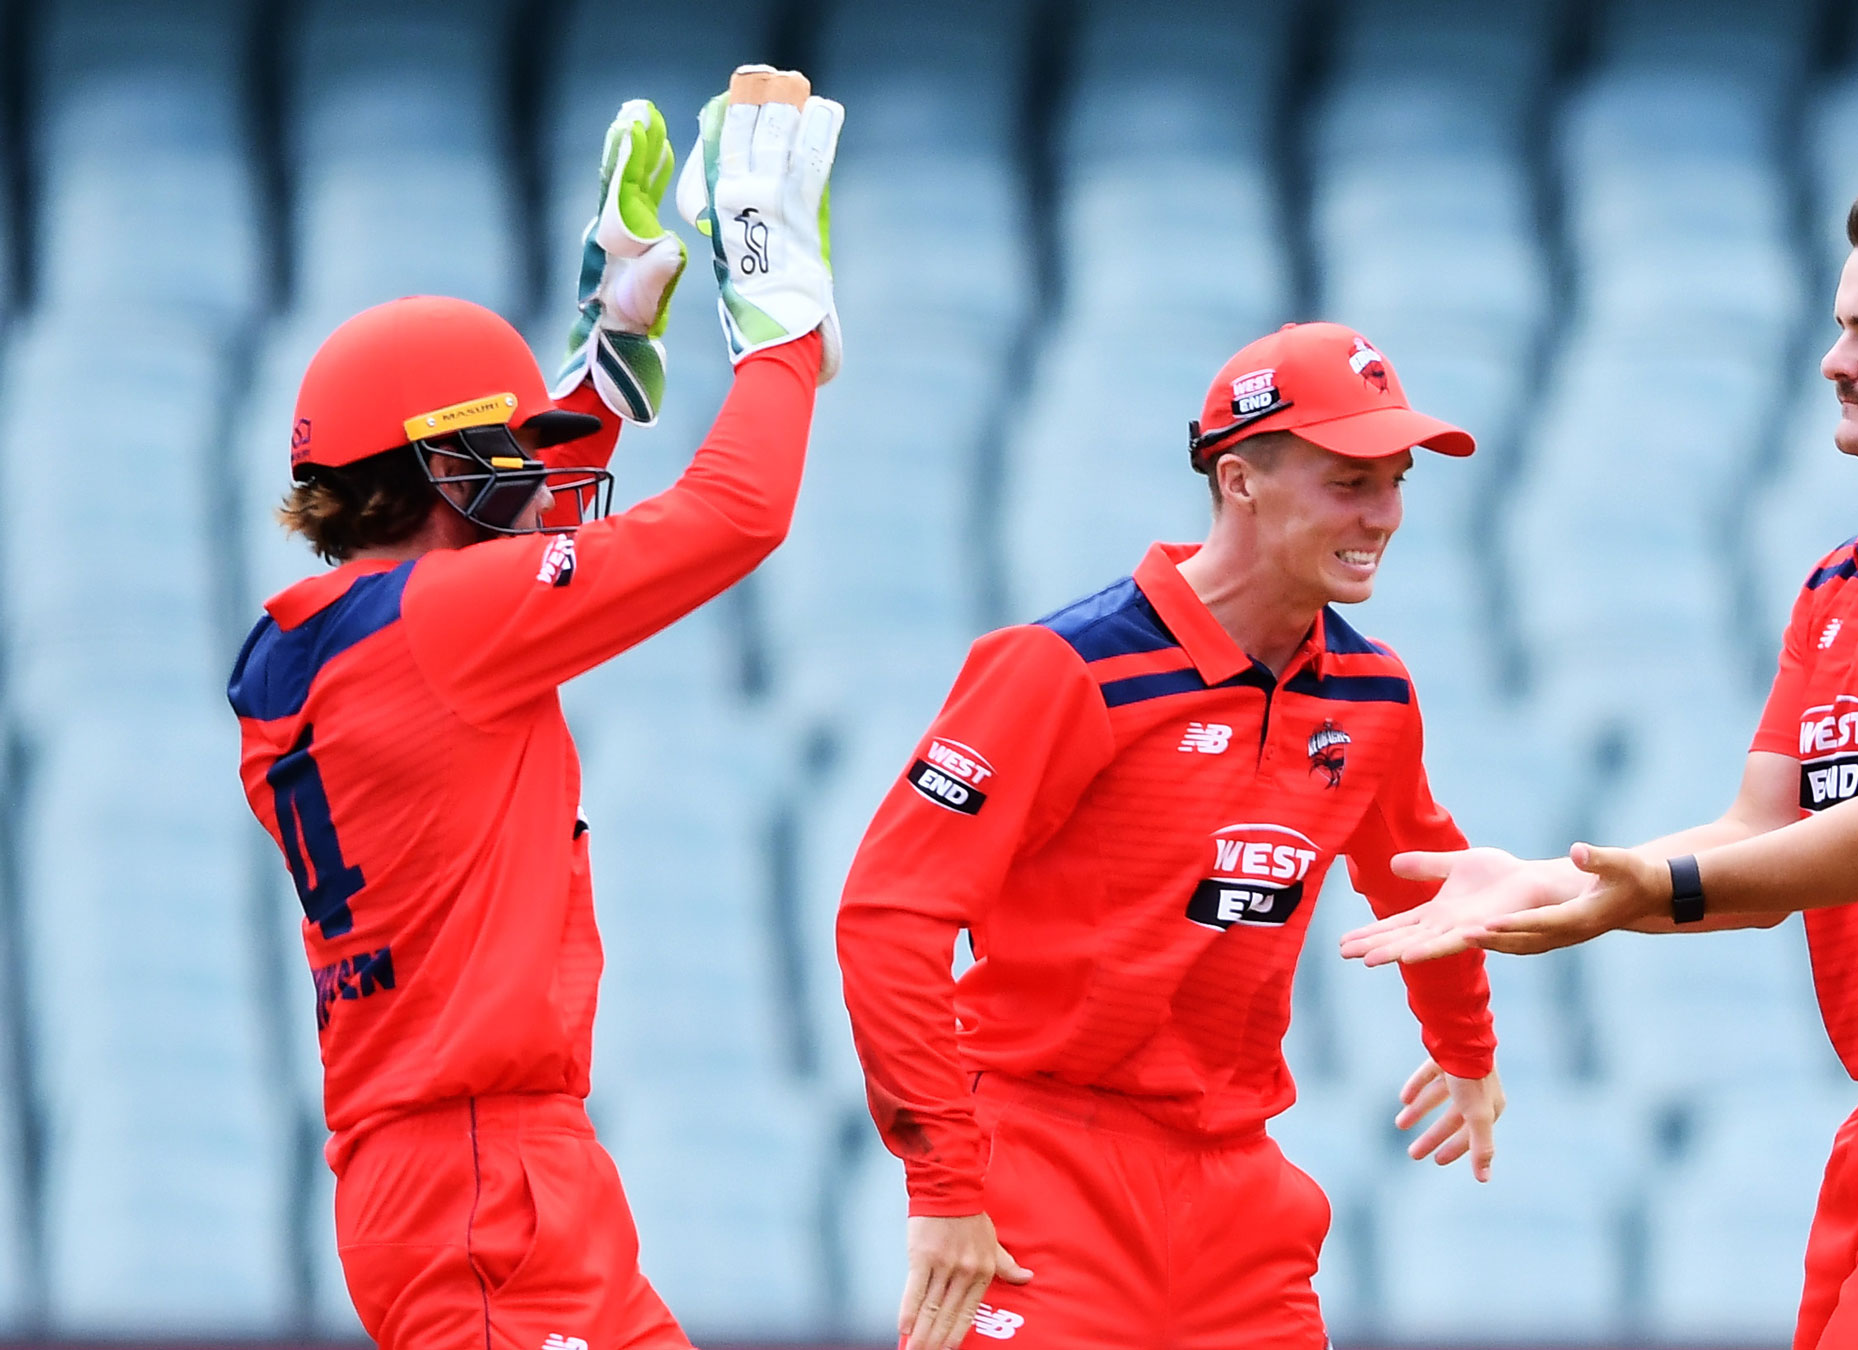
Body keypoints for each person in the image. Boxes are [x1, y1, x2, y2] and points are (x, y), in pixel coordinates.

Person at [1344, 173, 1858, 1348]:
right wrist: (1559, 880)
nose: (1832, 361)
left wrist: (1657, 894)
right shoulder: (1851, 578)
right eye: (1840, 327)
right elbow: (1757, 832)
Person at [227, 70, 843, 1350]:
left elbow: (492, 527)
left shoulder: (330, 640)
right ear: (436, 463)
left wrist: (604, 369)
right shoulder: (447, 626)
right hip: (479, 1182)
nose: (527, 475)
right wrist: (783, 331)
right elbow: (739, 513)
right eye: (495, 451)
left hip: (480, 1170)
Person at [838, 321, 1508, 1350]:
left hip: (1242, 1197)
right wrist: (944, 1184)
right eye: (1350, 482)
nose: (1386, 516)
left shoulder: (1375, 693)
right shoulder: (1065, 669)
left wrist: (1464, 1046)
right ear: (1239, 480)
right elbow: (890, 918)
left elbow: (1425, 877)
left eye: (1397, 481)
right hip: (1040, 1173)